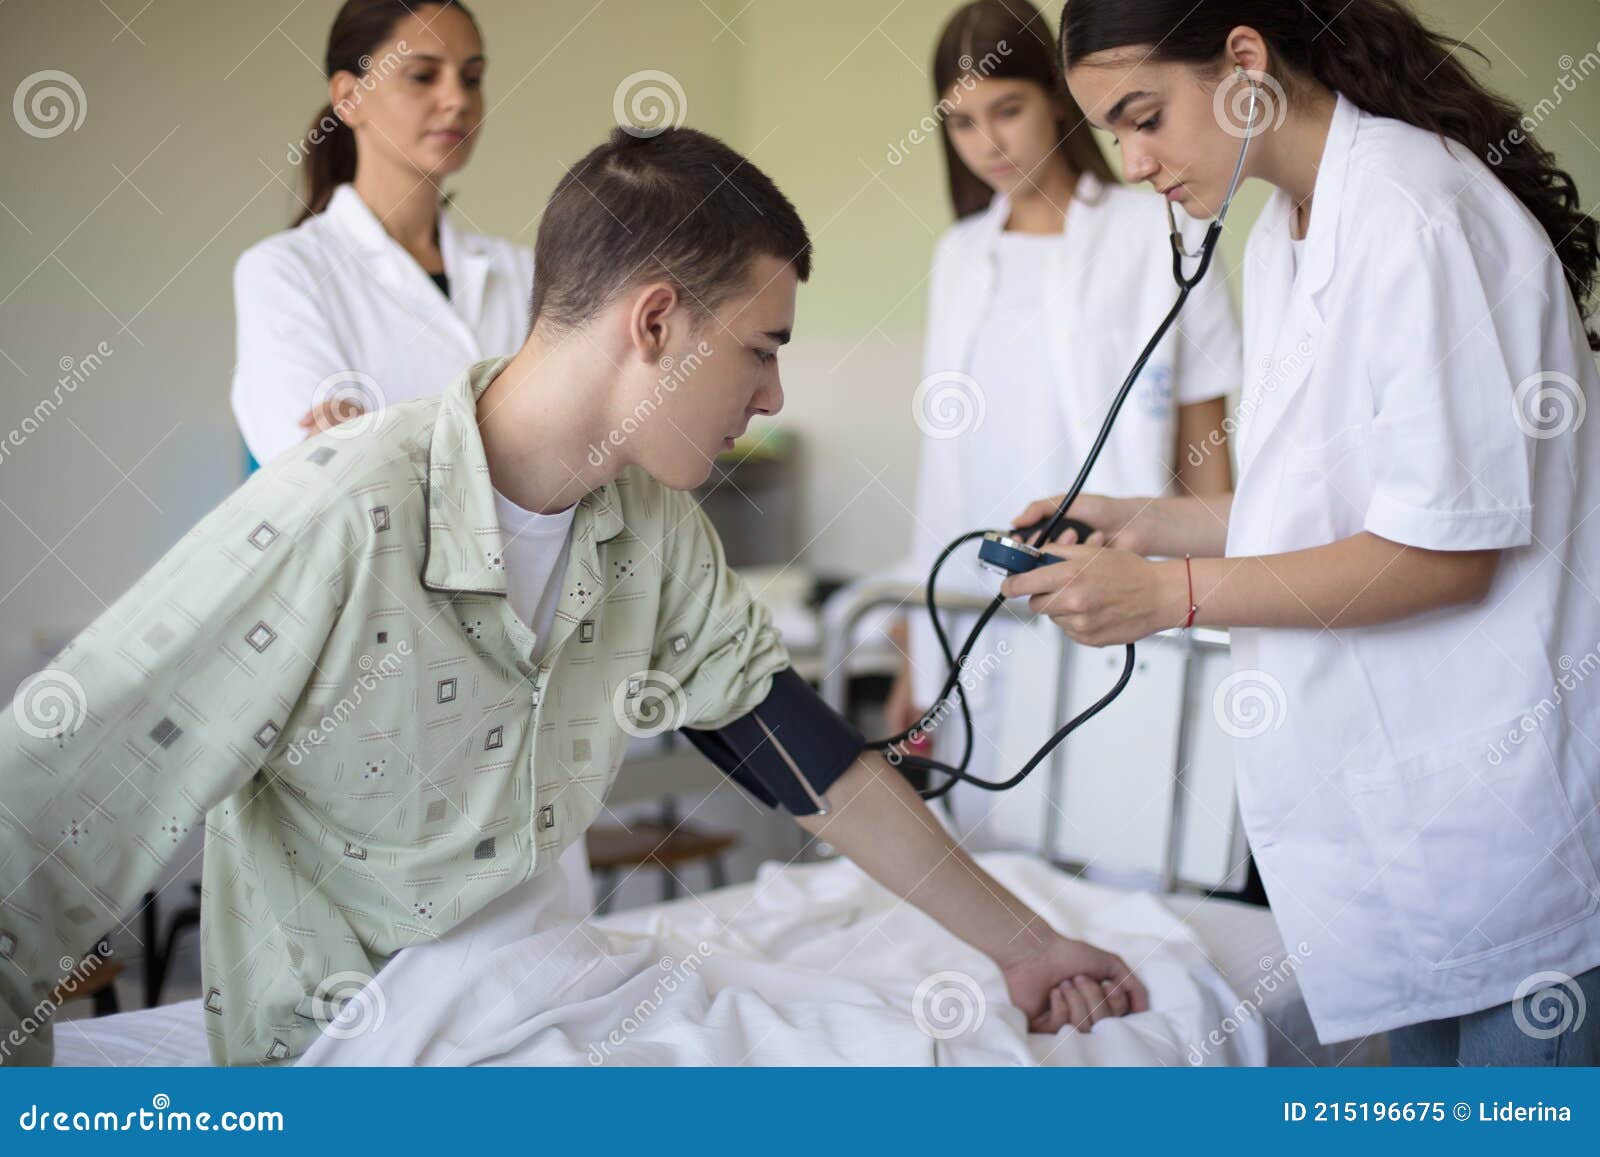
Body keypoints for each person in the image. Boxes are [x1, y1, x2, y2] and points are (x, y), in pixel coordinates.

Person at [1, 125, 1149, 1068]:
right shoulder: (342, 514)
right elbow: (52, 801)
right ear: (655, 325)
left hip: (543, 994)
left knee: (908, 1055)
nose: (774, 390)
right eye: (759, 348)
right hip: (350, 1047)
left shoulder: (650, 530)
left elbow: (799, 753)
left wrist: (1027, 944)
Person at [1005, 0, 1600, 1064]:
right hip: (1395, 826)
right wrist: (1144, 523)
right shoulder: (1288, 227)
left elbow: (1444, 554)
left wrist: (1170, 597)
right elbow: (1328, 512)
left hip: (1499, 826)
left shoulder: (1416, 216)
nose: (1135, 162)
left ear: (1243, 60)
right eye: (1112, 135)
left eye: (1144, 117)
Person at [886, 0, 1237, 847]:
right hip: (978, 616)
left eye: (1006, 108)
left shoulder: (1159, 228)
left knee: (1124, 851)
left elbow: (1207, 469)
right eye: (962, 121)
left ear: (1057, 96)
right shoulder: (960, 257)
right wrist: (911, 651)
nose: (988, 142)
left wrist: (1207, 621)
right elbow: (943, 467)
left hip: (1122, 605)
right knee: (996, 867)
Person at [230, 0, 533, 468]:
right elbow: (323, 483)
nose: (458, 100)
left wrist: (376, 437)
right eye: (422, 76)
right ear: (349, 97)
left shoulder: (525, 273)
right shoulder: (281, 272)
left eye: (471, 78)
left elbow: (578, 456)